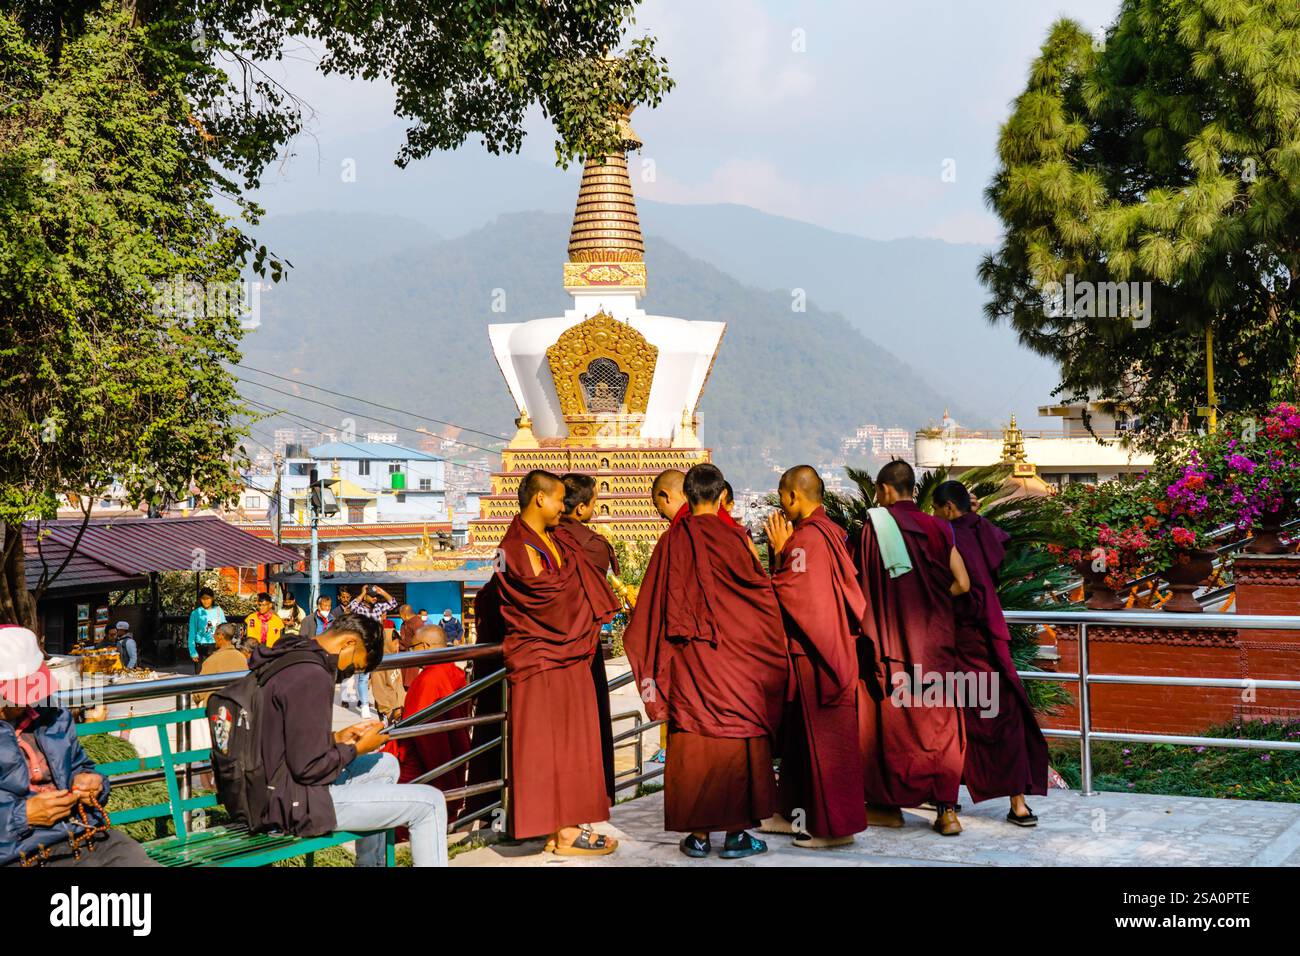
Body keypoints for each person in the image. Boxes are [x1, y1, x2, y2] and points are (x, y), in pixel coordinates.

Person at [624, 463, 790, 860]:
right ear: (720, 498)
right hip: (736, 666)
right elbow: (763, 599)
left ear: (687, 493)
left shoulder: (669, 542)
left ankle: (697, 837)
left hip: (690, 668)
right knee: (736, 745)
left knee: (695, 745)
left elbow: (649, 612)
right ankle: (735, 837)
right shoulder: (736, 538)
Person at [476, 469, 620, 855]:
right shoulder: (514, 547)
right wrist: (582, 606)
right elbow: (546, 600)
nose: (564, 508)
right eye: (559, 500)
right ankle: (560, 831)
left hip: (566, 655)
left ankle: (565, 828)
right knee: (544, 749)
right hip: (540, 657)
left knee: (574, 746)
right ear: (540, 499)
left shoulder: (553, 541)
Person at [250, 612, 449, 866]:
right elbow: (309, 768)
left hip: (270, 786)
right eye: (355, 666)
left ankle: (370, 864)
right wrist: (355, 749)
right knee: (431, 803)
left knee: (386, 764)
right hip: (290, 804)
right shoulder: (314, 674)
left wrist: (336, 738)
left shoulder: (294, 655)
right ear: (349, 643)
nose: (348, 674)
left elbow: (288, 740)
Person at [854, 460, 970, 836]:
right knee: (939, 724)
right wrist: (935, 602)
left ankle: (888, 808)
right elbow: (962, 583)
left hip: (891, 648)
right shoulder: (939, 527)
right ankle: (947, 812)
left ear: (885, 490)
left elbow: (860, 590)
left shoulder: (876, 528)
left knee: (892, 725)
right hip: (935, 643)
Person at [933, 480, 1048, 825]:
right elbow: (993, 547)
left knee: (951, 720)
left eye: (938, 510)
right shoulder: (980, 528)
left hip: (961, 639)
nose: (935, 516)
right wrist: (972, 514)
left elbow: (953, 581)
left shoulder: (948, 534)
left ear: (948, 509)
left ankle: (946, 805)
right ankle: (1018, 805)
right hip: (992, 638)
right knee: (1006, 716)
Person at [764, 465, 868, 848]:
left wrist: (778, 553)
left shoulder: (807, 540)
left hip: (817, 654)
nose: (780, 503)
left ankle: (835, 829)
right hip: (815, 650)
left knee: (825, 743)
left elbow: (793, 595)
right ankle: (790, 814)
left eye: (781, 495)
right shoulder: (828, 532)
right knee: (798, 741)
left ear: (793, 495)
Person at [1, 625, 159, 867]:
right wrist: (24, 816)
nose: (26, 701)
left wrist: (92, 783)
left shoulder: (52, 715)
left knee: (134, 859)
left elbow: (80, 766)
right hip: (19, 851)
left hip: (80, 833)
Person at [553, 472, 619, 803]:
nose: (596, 506)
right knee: (589, 721)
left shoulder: (542, 540)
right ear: (579, 509)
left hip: (550, 649)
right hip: (585, 646)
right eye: (594, 501)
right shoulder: (594, 547)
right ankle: (595, 793)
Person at [384, 624, 472, 820]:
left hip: (426, 763)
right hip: (452, 754)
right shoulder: (453, 671)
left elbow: (421, 734)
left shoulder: (428, 679)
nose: (411, 653)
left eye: (413, 648)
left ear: (424, 647)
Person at [344, 585, 398, 720]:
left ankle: (383, 705)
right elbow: (351, 607)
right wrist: (362, 593)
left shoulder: (379, 607)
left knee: (380, 677)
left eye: (376, 596)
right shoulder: (360, 608)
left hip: (378, 646)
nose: (375, 598)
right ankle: (364, 705)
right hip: (364, 647)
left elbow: (393, 603)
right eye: (372, 596)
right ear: (366, 597)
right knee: (363, 677)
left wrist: (382, 592)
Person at [194, 623, 249, 707]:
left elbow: (199, 692)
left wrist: (196, 699)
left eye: (215, 634)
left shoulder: (212, 660)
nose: (213, 637)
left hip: (217, 706)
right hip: (238, 704)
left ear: (220, 636)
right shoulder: (242, 657)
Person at [369, 624, 407, 721]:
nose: (397, 646)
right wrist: (387, 710)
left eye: (398, 643)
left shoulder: (394, 659)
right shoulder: (380, 664)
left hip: (398, 706)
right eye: (395, 644)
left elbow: (398, 683)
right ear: (387, 644)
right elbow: (378, 690)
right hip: (388, 709)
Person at [187, 587, 227, 665]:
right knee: (201, 675)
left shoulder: (219, 611)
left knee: (216, 674)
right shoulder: (196, 613)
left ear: (212, 598)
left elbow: (224, 629)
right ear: (200, 599)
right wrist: (192, 651)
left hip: (216, 646)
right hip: (201, 648)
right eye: (203, 598)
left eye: (208, 598)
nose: (206, 601)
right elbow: (192, 633)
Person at [397, 603, 424, 688]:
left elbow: (420, 640)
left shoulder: (417, 623)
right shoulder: (405, 623)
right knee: (403, 682)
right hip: (403, 653)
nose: (400, 617)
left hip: (412, 655)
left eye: (400, 615)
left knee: (411, 683)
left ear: (404, 614)